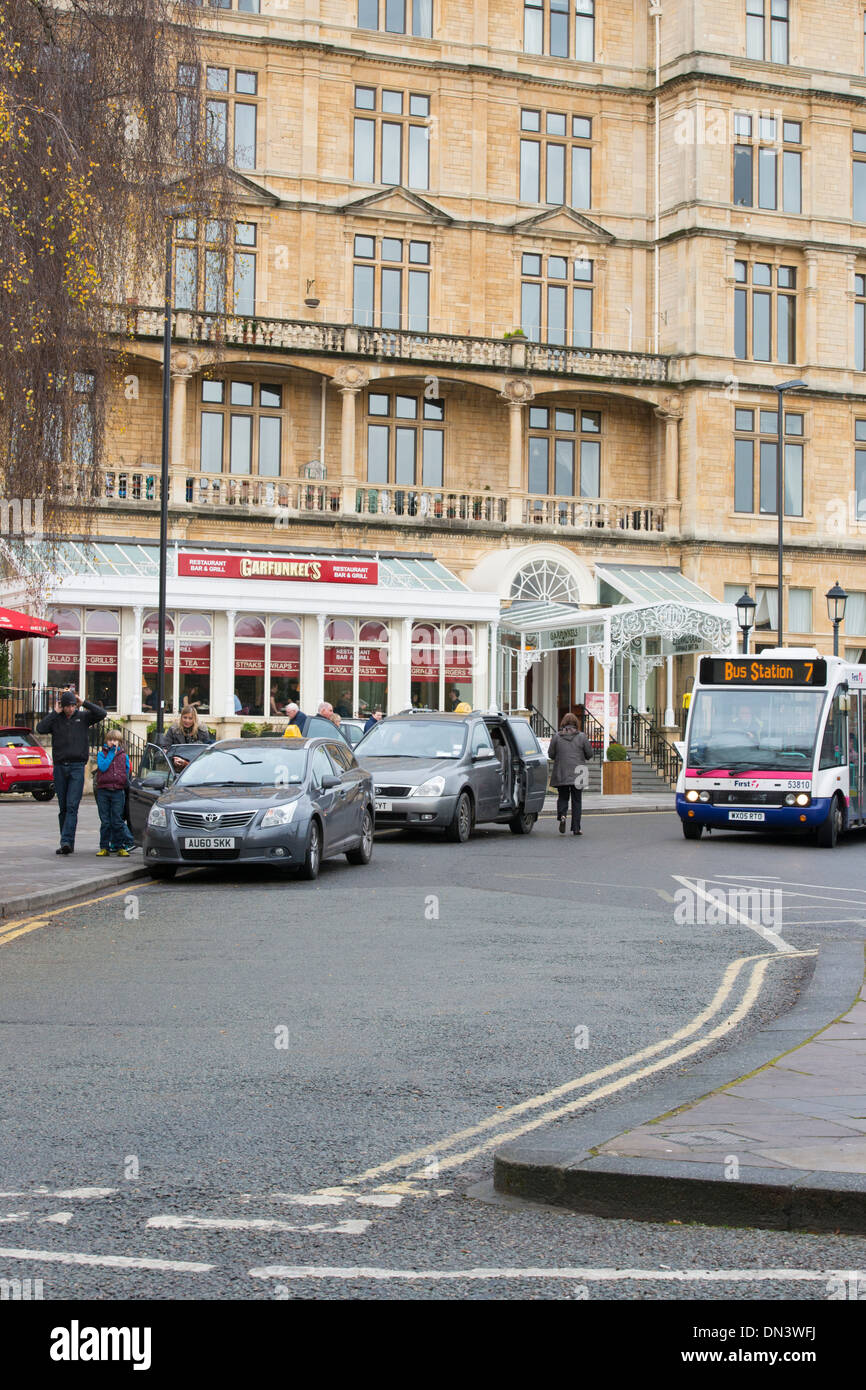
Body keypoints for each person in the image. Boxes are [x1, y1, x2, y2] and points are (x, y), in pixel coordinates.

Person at [37, 689, 107, 854]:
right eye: (67, 706)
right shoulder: (56, 719)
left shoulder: (83, 718)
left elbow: (102, 713)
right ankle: (66, 842)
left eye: (73, 706)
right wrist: (54, 712)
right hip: (60, 767)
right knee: (63, 807)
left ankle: (67, 841)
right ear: (62, 706)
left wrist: (84, 703)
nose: (70, 709)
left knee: (72, 805)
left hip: (77, 767)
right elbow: (40, 728)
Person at [547, 712, 593, 836]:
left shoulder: (557, 736)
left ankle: (562, 815)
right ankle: (576, 828)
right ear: (576, 723)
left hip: (561, 771)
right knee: (577, 801)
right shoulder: (582, 737)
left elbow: (550, 754)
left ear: (563, 723)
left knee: (563, 797)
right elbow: (589, 754)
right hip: (579, 772)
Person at [95, 729, 136, 856]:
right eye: (110, 740)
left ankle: (120, 846)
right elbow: (102, 767)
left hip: (118, 791)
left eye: (115, 740)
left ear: (120, 742)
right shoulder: (102, 754)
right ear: (106, 741)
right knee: (105, 821)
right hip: (103, 790)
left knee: (117, 820)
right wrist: (111, 754)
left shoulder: (124, 756)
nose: (113, 742)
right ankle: (104, 847)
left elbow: (127, 772)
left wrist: (125, 783)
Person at [161, 705, 212, 771]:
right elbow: (166, 747)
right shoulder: (174, 729)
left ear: (194, 719)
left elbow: (207, 749)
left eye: (190, 718)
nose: (187, 721)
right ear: (181, 717)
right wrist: (174, 758)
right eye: (185, 717)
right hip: (176, 767)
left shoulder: (202, 730)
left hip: (197, 766)